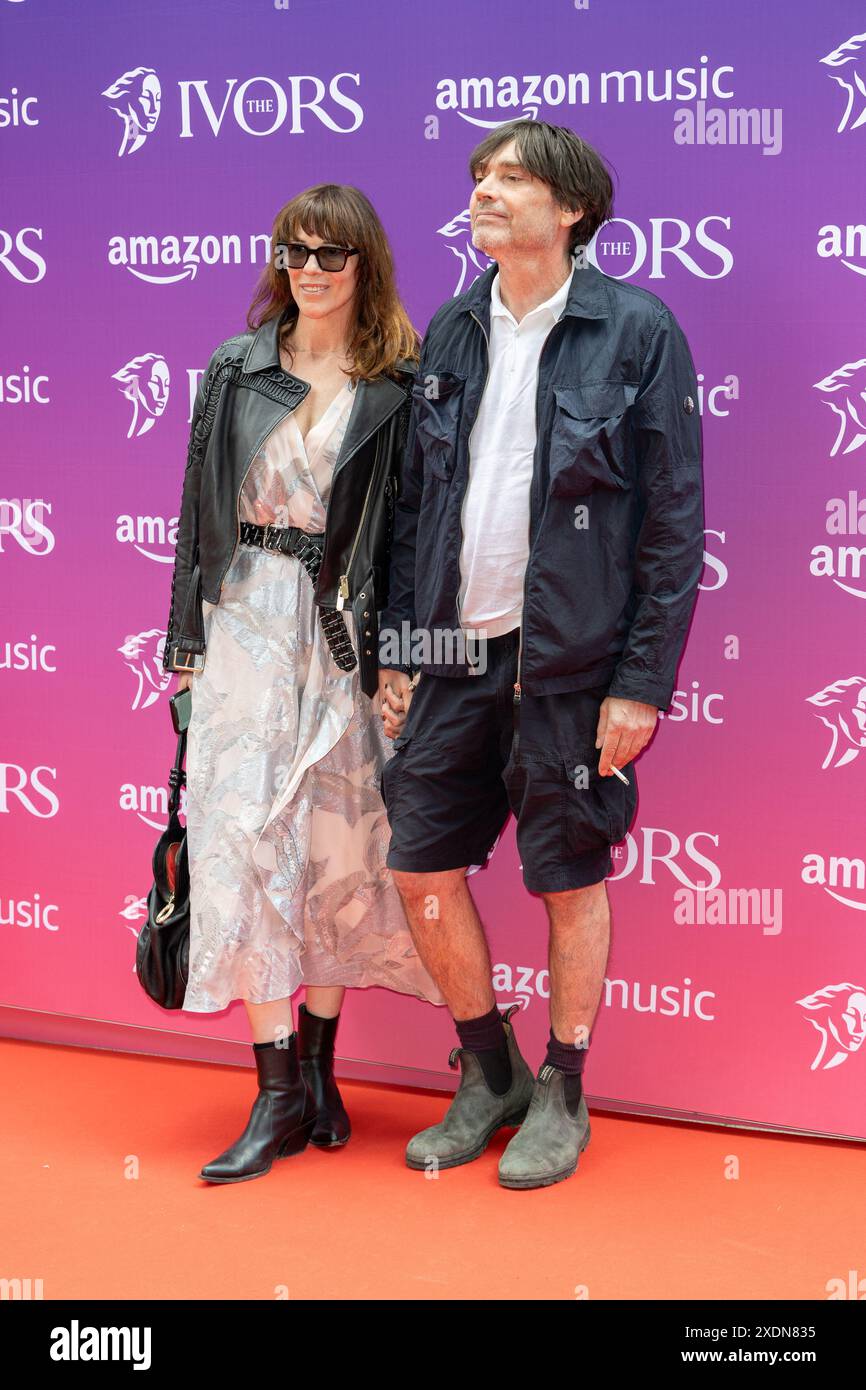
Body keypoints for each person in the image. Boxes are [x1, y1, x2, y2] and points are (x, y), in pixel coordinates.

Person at [376, 119, 705, 1190]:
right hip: (450, 655)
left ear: (569, 208)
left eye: (509, 178)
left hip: (566, 665)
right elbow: (417, 505)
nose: (483, 191)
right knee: (420, 866)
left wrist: (640, 682)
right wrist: (400, 647)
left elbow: (670, 522)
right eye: (477, 177)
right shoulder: (454, 327)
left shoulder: (637, 330)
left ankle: (563, 1087)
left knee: (566, 877)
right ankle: (488, 1070)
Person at [163, 183, 442, 1185]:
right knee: (242, 843)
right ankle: (276, 1089)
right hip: (244, 625)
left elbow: (410, 536)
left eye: (333, 255)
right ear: (277, 260)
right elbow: (198, 513)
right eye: (296, 252)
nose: (313, 271)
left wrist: (400, 656)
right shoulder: (234, 369)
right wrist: (182, 642)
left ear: (365, 264)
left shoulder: (398, 385)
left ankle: (319, 1070)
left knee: (335, 850)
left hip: (343, 638)